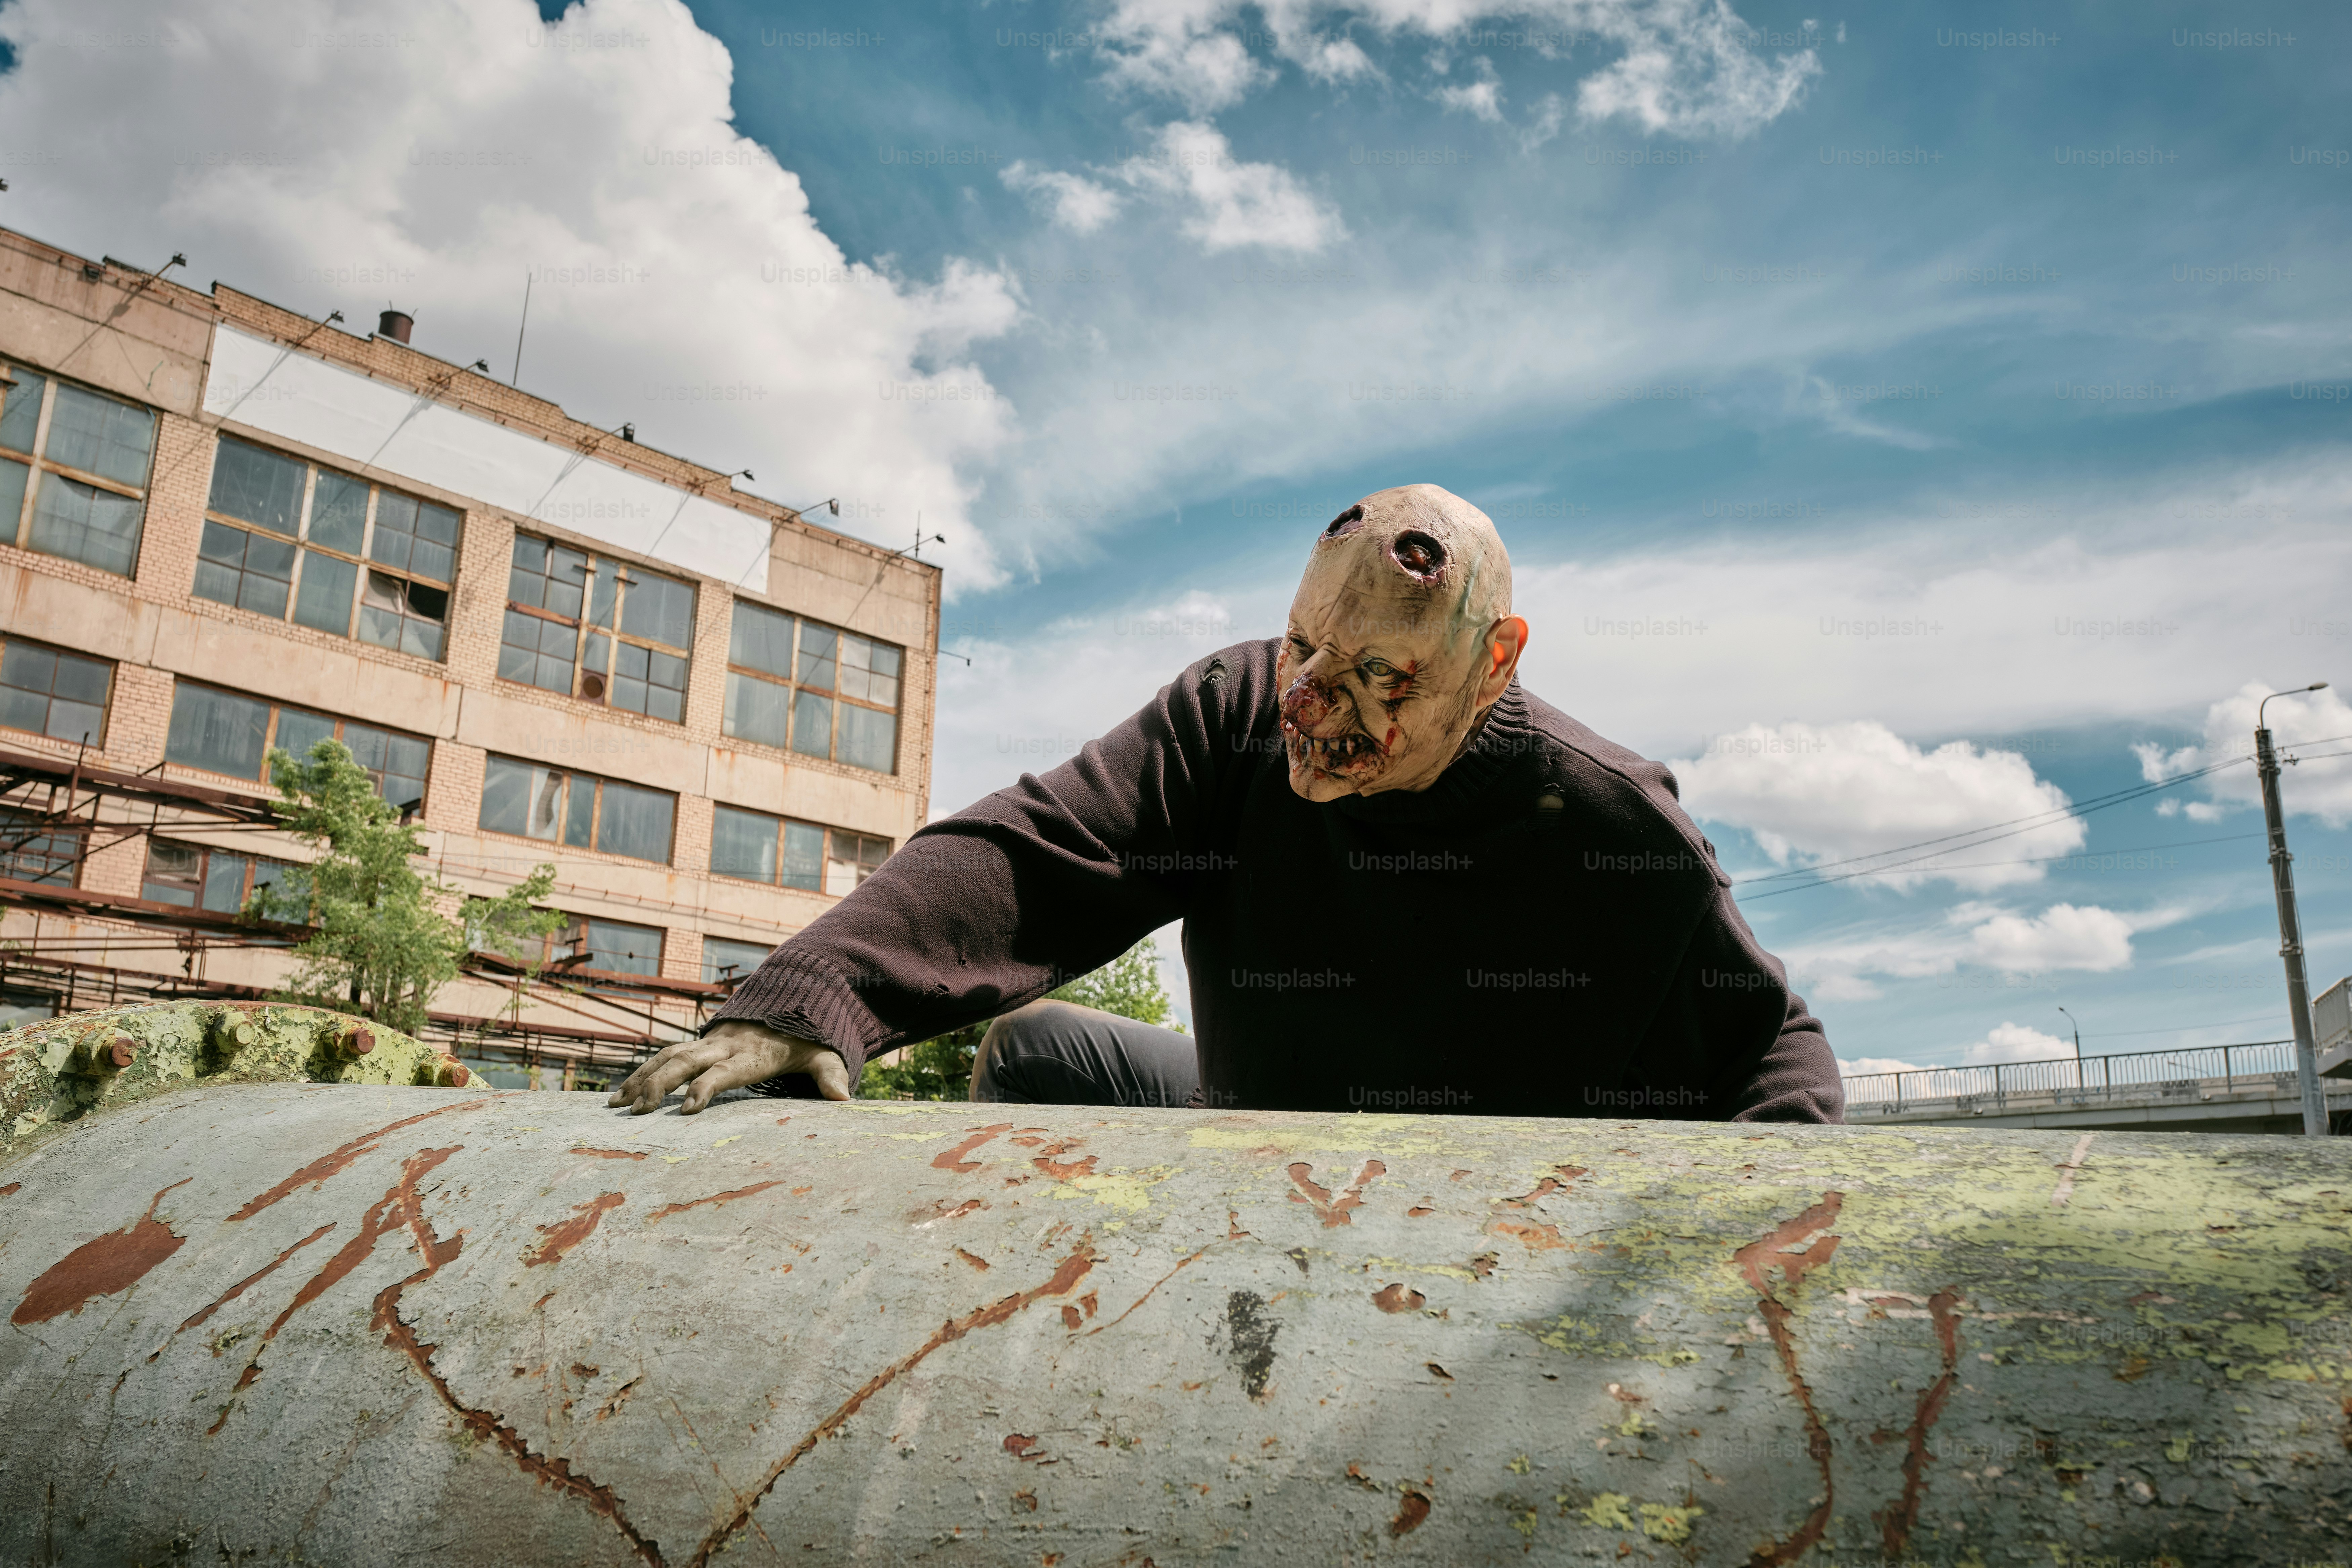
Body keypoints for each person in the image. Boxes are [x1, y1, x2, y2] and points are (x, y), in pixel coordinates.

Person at [611, 484, 1841, 1122]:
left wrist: (1769, 1260)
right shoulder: (1241, 712)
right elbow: (1045, 845)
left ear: (1495, 663)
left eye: (1377, 674)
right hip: (1254, 1117)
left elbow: (1772, 1050)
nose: (1309, 704)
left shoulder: (1611, 819)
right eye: (1306, 646)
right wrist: (811, 999)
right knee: (1040, 1050)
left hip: (1464, 1194)